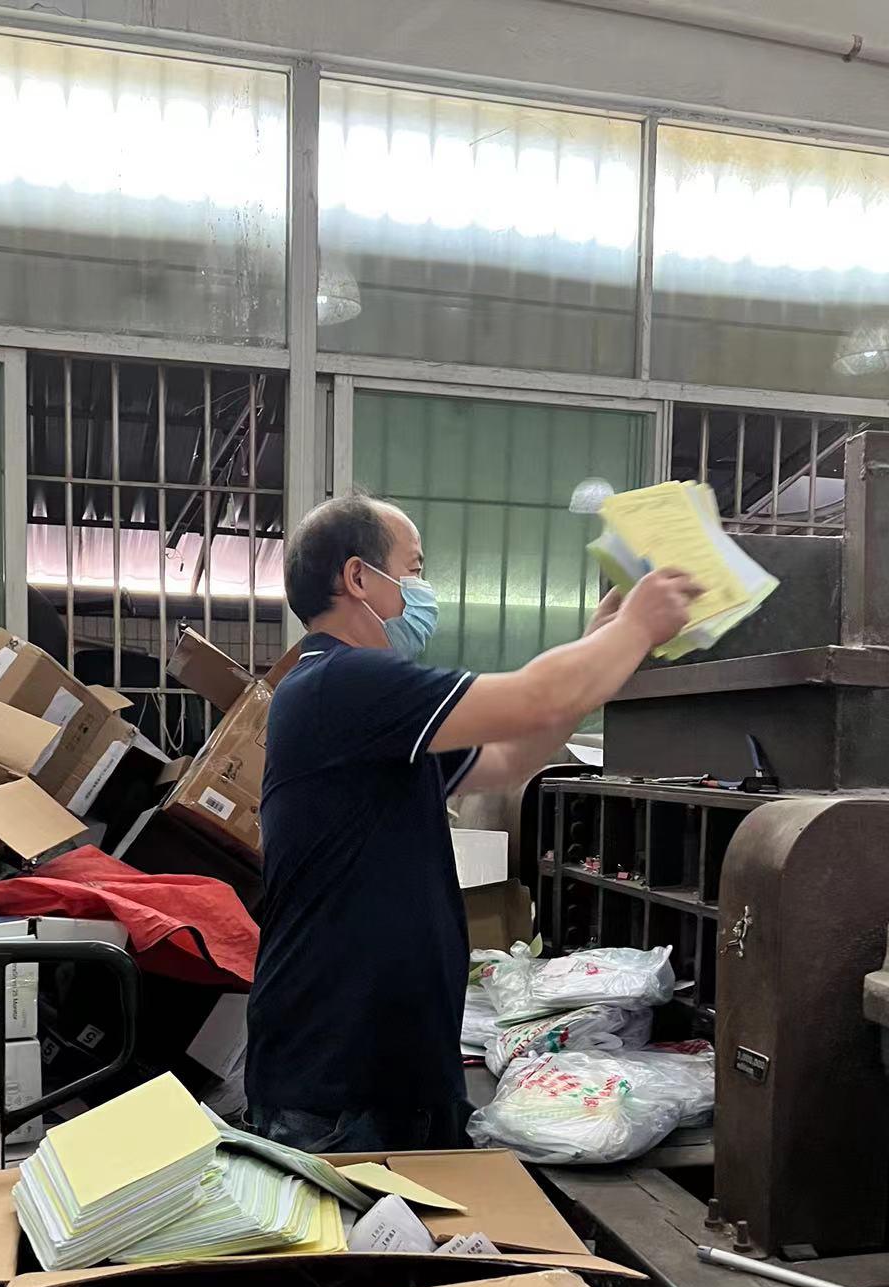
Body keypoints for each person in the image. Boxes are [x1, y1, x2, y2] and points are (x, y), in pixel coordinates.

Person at [244, 493, 697, 1153]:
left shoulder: (364, 705)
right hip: (340, 1081)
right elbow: (536, 695)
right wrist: (637, 628)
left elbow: (511, 756)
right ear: (359, 577)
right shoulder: (343, 682)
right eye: (414, 569)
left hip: (386, 1070)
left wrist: (599, 643)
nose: (423, 589)